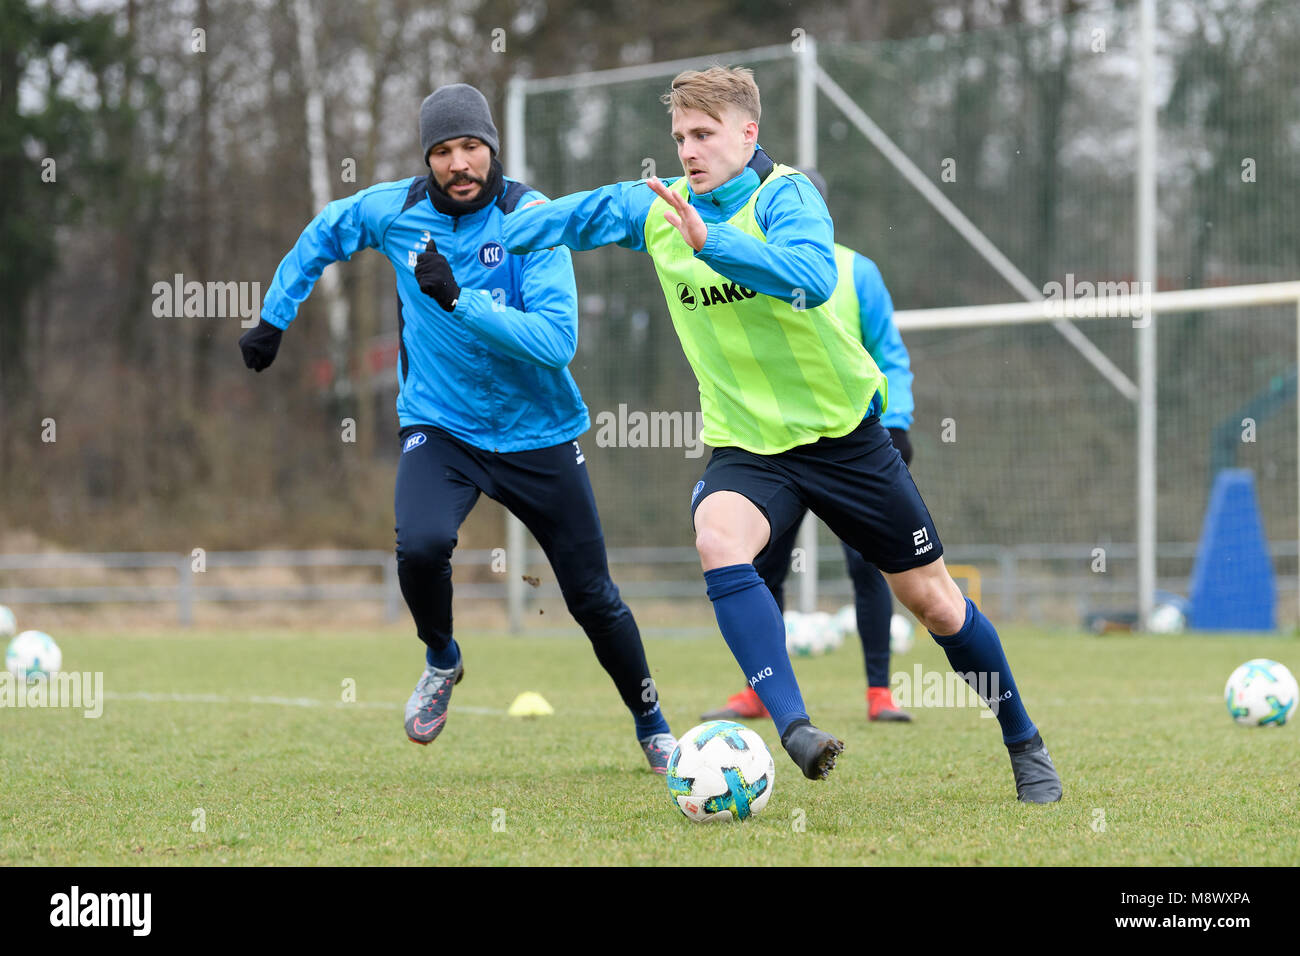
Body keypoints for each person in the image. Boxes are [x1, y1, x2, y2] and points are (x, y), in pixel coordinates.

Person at [503, 67, 1061, 801]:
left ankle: (1024, 741)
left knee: (933, 602)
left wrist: (713, 245)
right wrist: (492, 232)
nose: (690, 151)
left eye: (703, 135)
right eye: (679, 138)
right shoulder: (659, 208)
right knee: (716, 539)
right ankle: (794, 726)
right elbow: (569, 218)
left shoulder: (787, 195)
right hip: (749, 446)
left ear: (747, 133)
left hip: (843, 438)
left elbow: (809, 274)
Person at [240, 83, 676, 772]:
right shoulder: (397, 212)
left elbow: (556, 340)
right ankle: (442, 658)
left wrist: (459, 300)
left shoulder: (531, 220)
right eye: (442, 151)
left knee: (592, 596)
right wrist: (273, 317)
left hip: (540, 434)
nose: (459, 163)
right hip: (442, 428)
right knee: (420, 545)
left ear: (492, 148)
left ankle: (652, 722)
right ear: (428, 160)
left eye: (471, 146)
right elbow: (325, 231)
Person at [702, 169, 916, 725]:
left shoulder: (854, 271)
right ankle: (760, 692)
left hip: (849, 442)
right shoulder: (742, 262)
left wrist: (897, 422)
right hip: (773, 445)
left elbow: (887, 351)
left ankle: (879, 692)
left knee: (869, 568)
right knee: (761, 568)